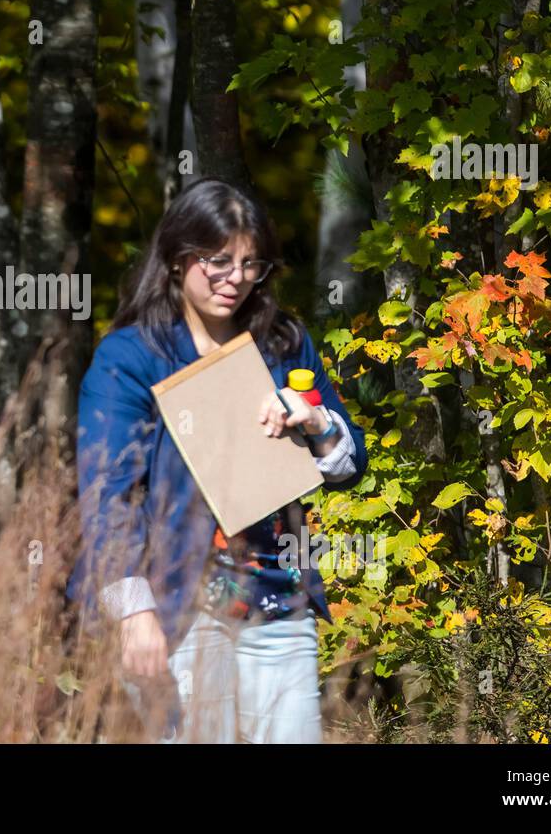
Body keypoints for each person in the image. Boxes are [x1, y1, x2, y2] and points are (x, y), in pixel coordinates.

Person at [68, 178, 368, 743]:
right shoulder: (132, 357)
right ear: (178, 259)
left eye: (252, 264)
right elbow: (108, 496)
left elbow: (350, 466)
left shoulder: (282, 343)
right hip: (179, 606)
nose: (236, 279)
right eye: (218, 261)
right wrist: (134, 615)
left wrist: (316, 423)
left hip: (280, 599)